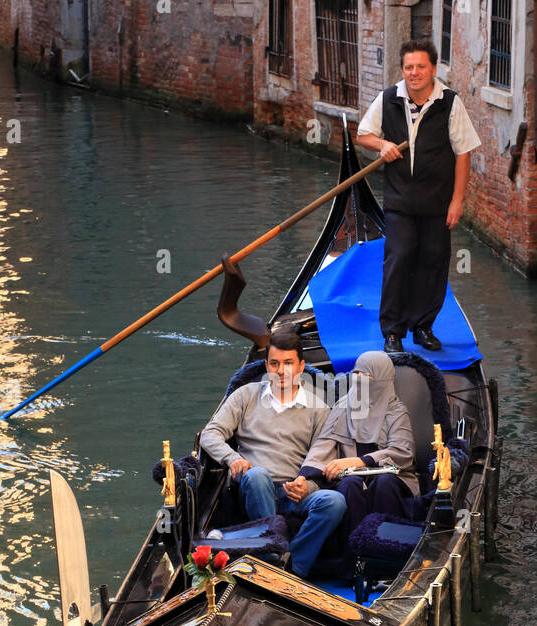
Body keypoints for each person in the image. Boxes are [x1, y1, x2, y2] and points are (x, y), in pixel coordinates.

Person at [357, 39, 481, 355]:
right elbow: (363, 135)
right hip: (399, 202)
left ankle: (424, 326)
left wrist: (457, 201)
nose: (414, 73)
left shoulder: (450, 103)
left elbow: (464, 153)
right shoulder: (388, 100)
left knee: (434, 262)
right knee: (398, 259)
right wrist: (381, 145)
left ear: (433, 70)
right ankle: (393, 333)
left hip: (438, 203)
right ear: (403, 70)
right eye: (409, 67)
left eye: (421, 67)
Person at [199, 328, 346, 579]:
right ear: (267, 366)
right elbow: (209, 434)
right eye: (275, 364)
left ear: (300, 367)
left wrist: (307, 485)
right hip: (251, 484)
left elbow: (323, 458)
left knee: (334, 502)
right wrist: (233, 458)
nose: (281, 371)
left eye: (288, 364)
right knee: (258, 476)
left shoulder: (319, 410)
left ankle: (292, 566)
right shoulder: (245, 395)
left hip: (292, 491)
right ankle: (270, 554)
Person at [300, 352, 418, 542]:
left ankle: (388, 547)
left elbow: (402, 452)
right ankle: (352, 556)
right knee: (349, 484)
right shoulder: (342, 407)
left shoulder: (397, 412)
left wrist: (358, 461)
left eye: (367, 376)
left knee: (384, 482)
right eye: (356, 374)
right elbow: (322, 445)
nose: (359, 381)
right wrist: (304, 478)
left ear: (382, 380)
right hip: (351, 478)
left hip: (392, 477)